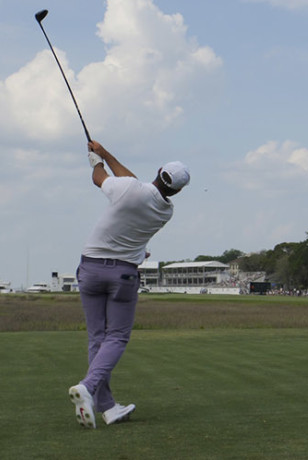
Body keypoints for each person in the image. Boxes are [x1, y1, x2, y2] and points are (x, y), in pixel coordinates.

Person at [68, 140, 190, 429]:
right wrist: (105, 153)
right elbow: (132, 184)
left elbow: (100, 178)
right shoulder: (165, 211)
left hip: (90, 268)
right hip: (122, 274)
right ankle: (88, 387)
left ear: (159, 170)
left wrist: (95, 159)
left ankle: (107, 407)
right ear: (178, 190)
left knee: (98, 338)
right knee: (118, 337)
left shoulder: (129, 189)